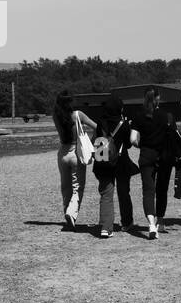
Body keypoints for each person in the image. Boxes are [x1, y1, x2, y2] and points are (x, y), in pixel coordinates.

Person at [130, 88, 175, 238]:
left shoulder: (138, 116)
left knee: (148, 191)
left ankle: (150, 224)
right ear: (158, 99)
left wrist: (141, 145)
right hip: (163, 156)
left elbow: (132, 139)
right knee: (161, 190)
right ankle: (160, 222)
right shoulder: (166, 116)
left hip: (146, 155)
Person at [91, 95, 136, 238]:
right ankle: (127, 222)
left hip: (103, 159)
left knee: (106, 194)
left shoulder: (100, 121)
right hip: (121, 161)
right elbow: (128, 144)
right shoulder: (123, 123)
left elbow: (96, 141)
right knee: (123, 193)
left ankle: (105, 226)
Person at [53, 90, 98, 229]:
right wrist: (91, 141)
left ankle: (67, 211)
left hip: (62, 153)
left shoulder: (56, 116)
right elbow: (97, 127)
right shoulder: (78, 115)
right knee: (78, 186)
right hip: (76, 153)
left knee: (65, 186)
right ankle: (71, 213)